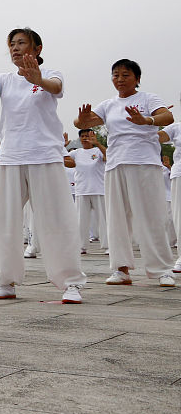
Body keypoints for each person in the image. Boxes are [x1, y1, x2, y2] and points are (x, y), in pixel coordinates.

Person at [0, 27, 86, 303]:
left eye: (21, 43)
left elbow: (56, 88)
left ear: (37, 49)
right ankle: (6, 278)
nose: (14, 48)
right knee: (3, 221)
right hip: (11, 157)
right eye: (11, 44)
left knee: (56, 219)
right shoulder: (4, 79)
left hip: (45, 156)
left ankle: (70, 282)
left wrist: (37, 78)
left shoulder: (51, 74)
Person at [76, 59, 175, 287]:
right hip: (116, 164)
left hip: (144, 162)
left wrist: (146, 120)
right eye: (116, 75)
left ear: (137, 79)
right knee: (117, 218)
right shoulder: (108, 104)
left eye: (125, 75)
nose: (120, 79)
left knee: (152, 215)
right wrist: (80, 120)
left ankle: (162, 269)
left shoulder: (147, 98)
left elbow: (167, 117)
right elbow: (82, 121)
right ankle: (121, 269)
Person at [68, 129, 107, 255]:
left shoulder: (98, 151)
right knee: (81, 220)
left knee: (104, 220)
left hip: (99, 189)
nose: (85, 138)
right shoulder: (76, 153)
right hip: (82, 190)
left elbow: (109, 157)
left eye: (88, 136)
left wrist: (98, 144)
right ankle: (81, 246)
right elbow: (63, 159)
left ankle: (109, 245)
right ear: (80, 138)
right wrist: (61, 147)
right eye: (83, 136)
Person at [158, 125, 181, 273]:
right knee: (179, 218)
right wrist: (149, 121)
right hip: (179, 174)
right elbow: (155, 137)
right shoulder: (177, 127)